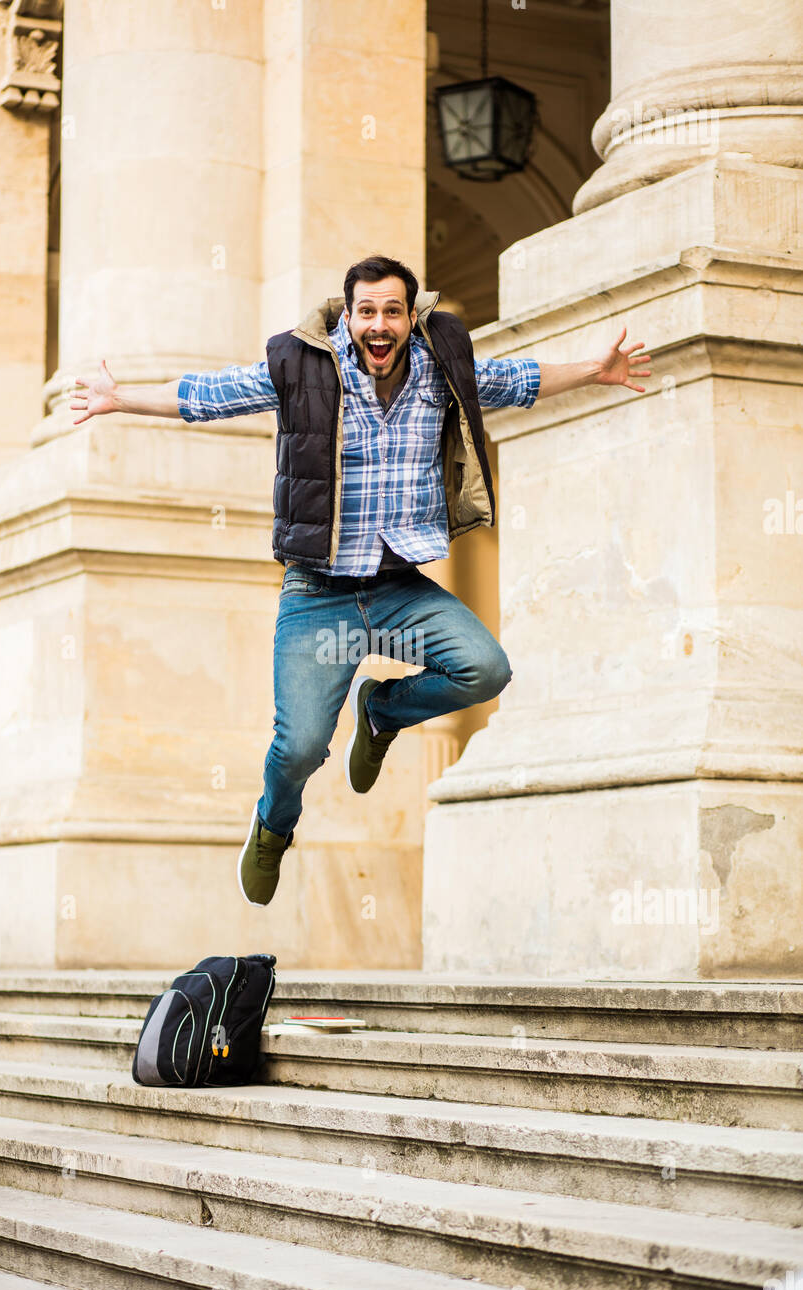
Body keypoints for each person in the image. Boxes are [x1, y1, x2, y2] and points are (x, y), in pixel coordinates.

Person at [71, 254, 650, 907]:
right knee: (301, 748)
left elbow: (515, 379)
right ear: (348, 319)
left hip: (398, 586)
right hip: (318, 594)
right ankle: (272, 828)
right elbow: (211, 395)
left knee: (484, 668)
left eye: (392, 312)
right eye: (367, 311)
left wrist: (594, 372)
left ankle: (380, 711)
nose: (380, 324)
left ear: (409, 317)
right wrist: (120, 399)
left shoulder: (437, 370)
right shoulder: (304, 370)